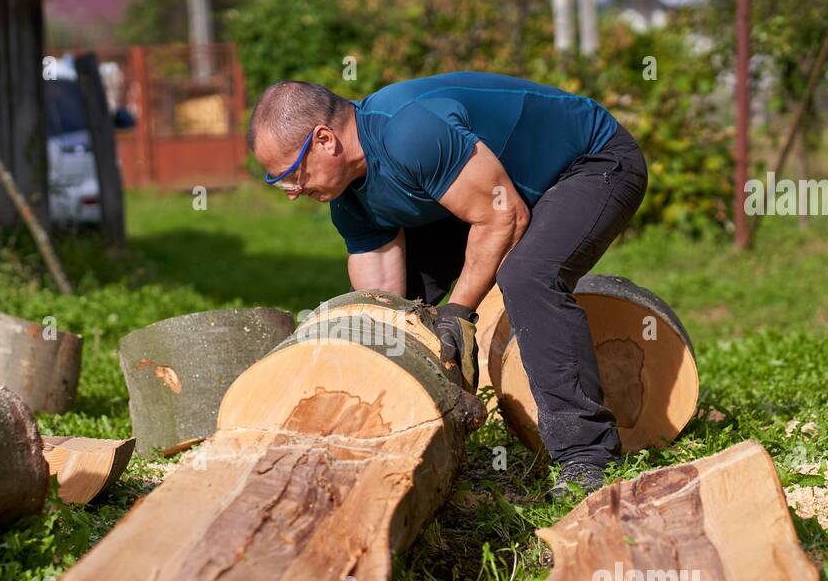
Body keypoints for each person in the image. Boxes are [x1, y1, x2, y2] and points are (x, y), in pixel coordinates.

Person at [248, 71, 648, 499]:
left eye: (289, 173)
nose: (290, 191)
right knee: (405, 309)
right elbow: (383, 293)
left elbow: (503, 216)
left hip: (591, 163)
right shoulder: (347, 194)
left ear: (325, 140)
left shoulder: (410, 132)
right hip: (500, 192)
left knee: (528, 277)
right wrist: (369, 347)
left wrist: (459, 313)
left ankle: (587, 457)